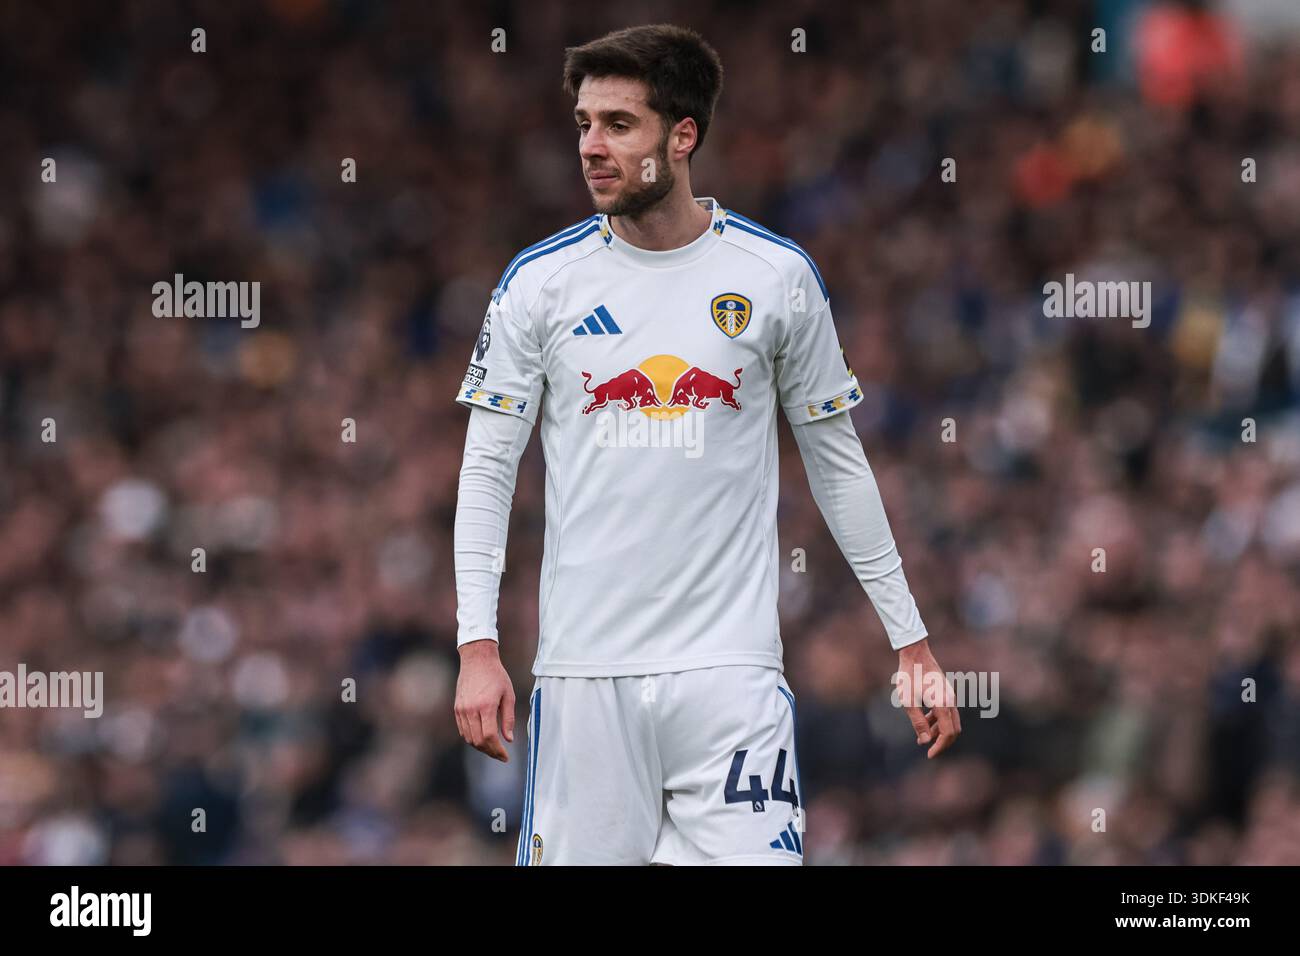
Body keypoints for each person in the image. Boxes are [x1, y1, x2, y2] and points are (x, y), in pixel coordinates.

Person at [452, 23, 959, 866]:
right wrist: (477, 646)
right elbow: (486, 469)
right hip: (586, 679)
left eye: (619, 124)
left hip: (731, 678)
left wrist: (910, 641)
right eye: (583, 123)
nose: (591, 147)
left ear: (682, 136)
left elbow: (838, 464)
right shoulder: (538, 285)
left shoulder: (775, 279)